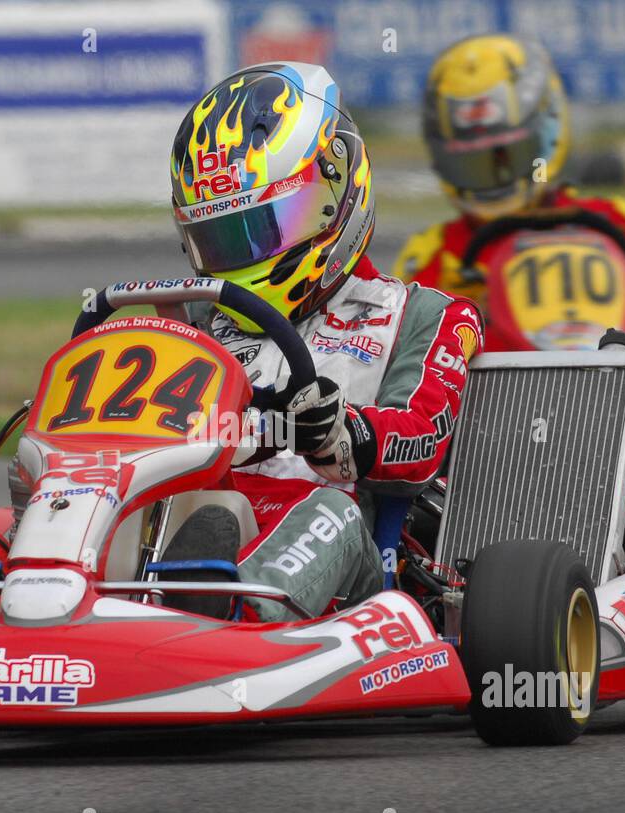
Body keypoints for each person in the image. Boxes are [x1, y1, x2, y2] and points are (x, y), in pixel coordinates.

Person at [168, 62, 483, 622]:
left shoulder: (422, 315)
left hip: (351, 548)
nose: (241, 258)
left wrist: (344, 433)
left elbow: (423, 436)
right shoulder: (193, 322)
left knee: (326, 510)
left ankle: (237, 621)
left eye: (259, 230)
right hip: (200, 520)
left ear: (332, 194)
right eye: (219, 238)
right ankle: (11, 593)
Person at [394, 34, 625, 411]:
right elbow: (406, 366)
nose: (494, 176)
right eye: (472, 162)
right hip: (504, 419)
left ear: (547, 133)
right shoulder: (433, 255)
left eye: (508, 156)